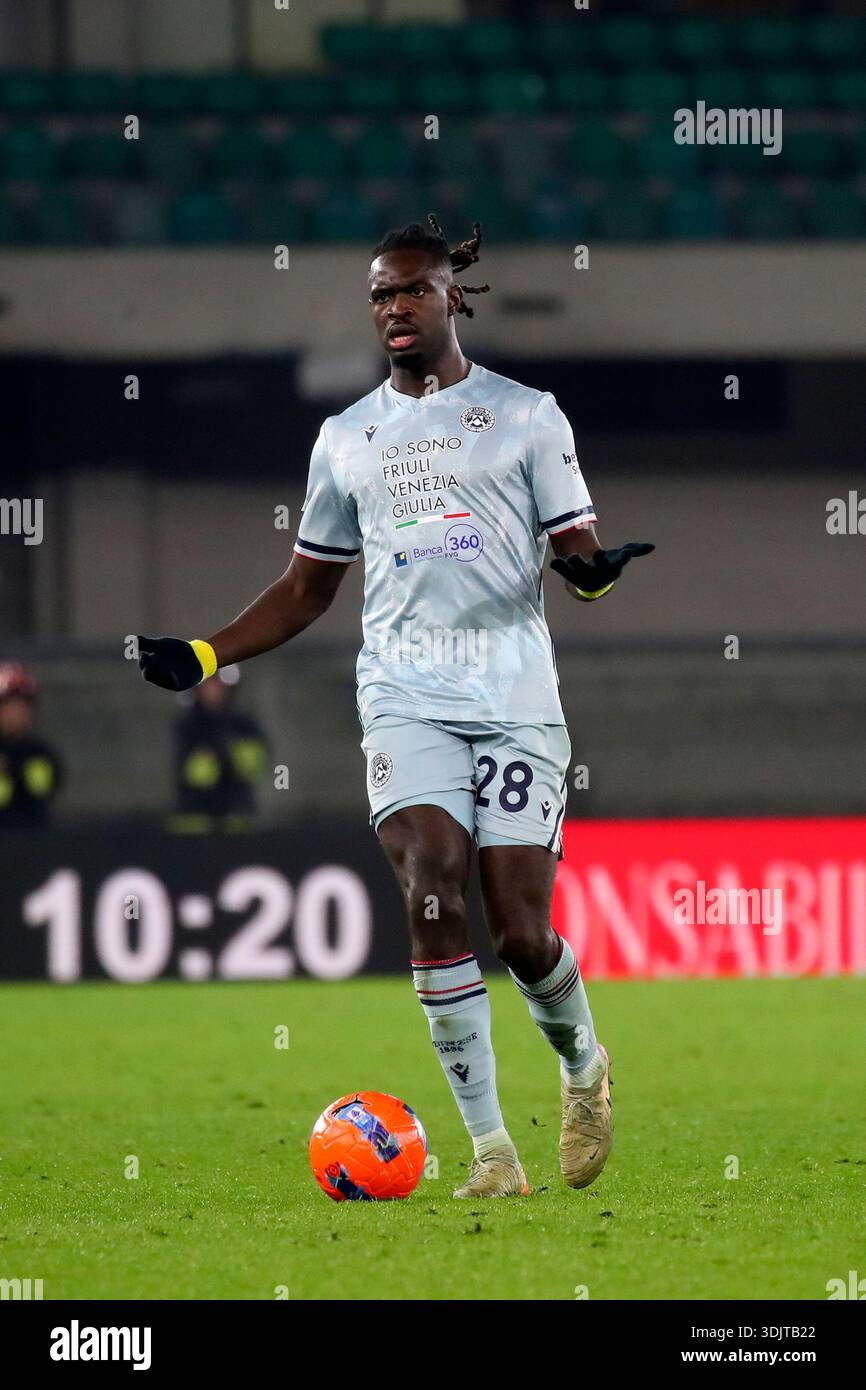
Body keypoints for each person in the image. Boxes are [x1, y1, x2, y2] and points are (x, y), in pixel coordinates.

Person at [135, 215, 654, 1199]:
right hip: (404, 696)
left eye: (412, 290)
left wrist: (591, 576)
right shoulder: (346, 439)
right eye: (379, 294)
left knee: (519, 932)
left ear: (452, 297)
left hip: (511, 699)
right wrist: (204, 651)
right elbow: (305, 589)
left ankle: (583, 1064)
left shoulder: (527, 417)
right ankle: (491, 1153)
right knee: (429, 881)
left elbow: (576, 551)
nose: (394, 308)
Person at [170, 666, 268, 833]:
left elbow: (254, 765)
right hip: (195, 815)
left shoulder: (244, 725)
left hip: (237, 813)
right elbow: (195, 774)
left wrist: (223, 754)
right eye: (208, 684)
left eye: (218, 684)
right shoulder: (188, 726)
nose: (214, 690)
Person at [0, 662, 62, 830]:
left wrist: (11, 769)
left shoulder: (39, 753)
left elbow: (40, 791)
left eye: (21, 706)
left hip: (31, 838)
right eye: (7, 706)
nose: (15, 713)